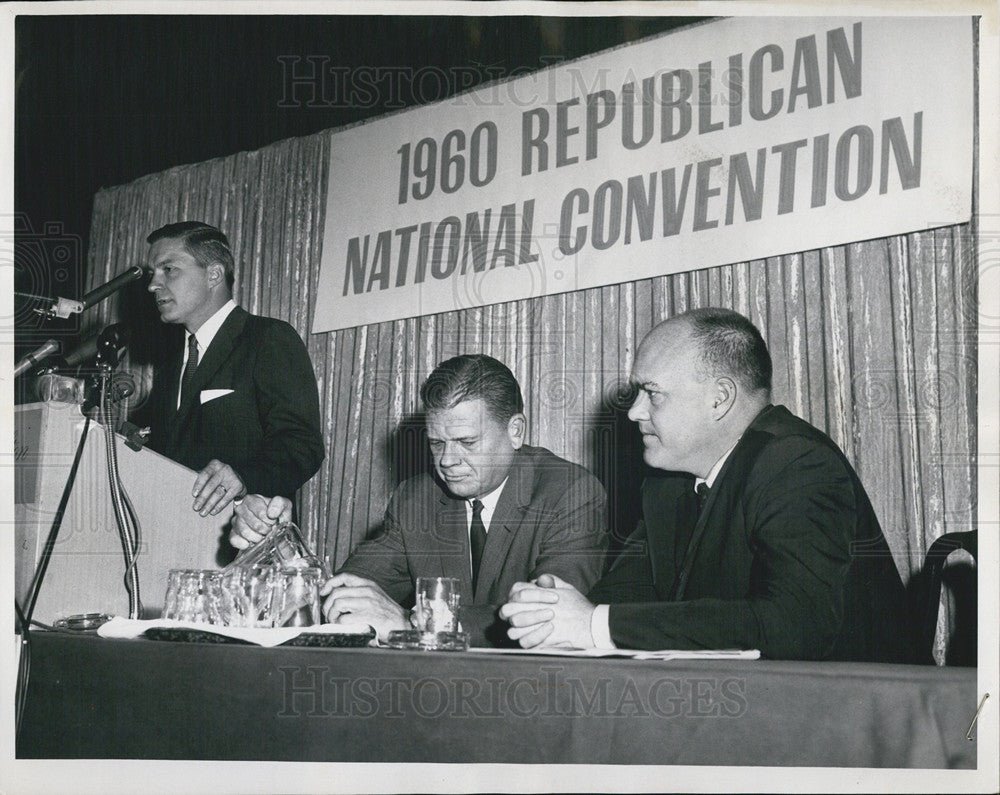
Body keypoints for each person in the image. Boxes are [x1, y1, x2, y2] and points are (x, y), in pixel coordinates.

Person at [500, 307, 914, 663]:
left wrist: (594, 623)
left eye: (652, 393)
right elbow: (623, 598)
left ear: (720, 398)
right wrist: (552, 609)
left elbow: (795, 624)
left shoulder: (796, 464)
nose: (633, 412)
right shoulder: (670, 483)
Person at [233, 354, 609, 646]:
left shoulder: (571, 492)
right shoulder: (416, 498)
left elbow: (543, 617)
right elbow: (345, 595)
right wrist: (276, 542)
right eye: (436, 443)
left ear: (515, 431)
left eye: (466, 442)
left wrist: (410, 623)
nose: (446, 460)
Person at [137, 221, 324, 517]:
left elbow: (302, 445)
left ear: (213, 274)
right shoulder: (170, 362)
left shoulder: (268, 338)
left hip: (245, 537)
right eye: (152, 274)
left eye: (168, 269)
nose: (153, 285)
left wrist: (244, 477)